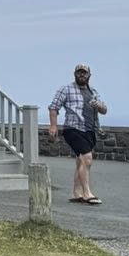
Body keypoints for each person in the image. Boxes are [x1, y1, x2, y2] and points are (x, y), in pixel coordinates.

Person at [49, 64, 108, 204]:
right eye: (79, 72)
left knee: (80, 161)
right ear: (74, 74)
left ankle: (77, 193)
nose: (82, 75)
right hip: (73, 128)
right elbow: (53, 107)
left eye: (84, 73)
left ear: (89, 75)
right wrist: (53, 126)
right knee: (87, 158)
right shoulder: (66, 89)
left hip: (90, 130)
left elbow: (104, 110)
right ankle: (87, 193)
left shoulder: (93, 92)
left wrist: (99, 106)